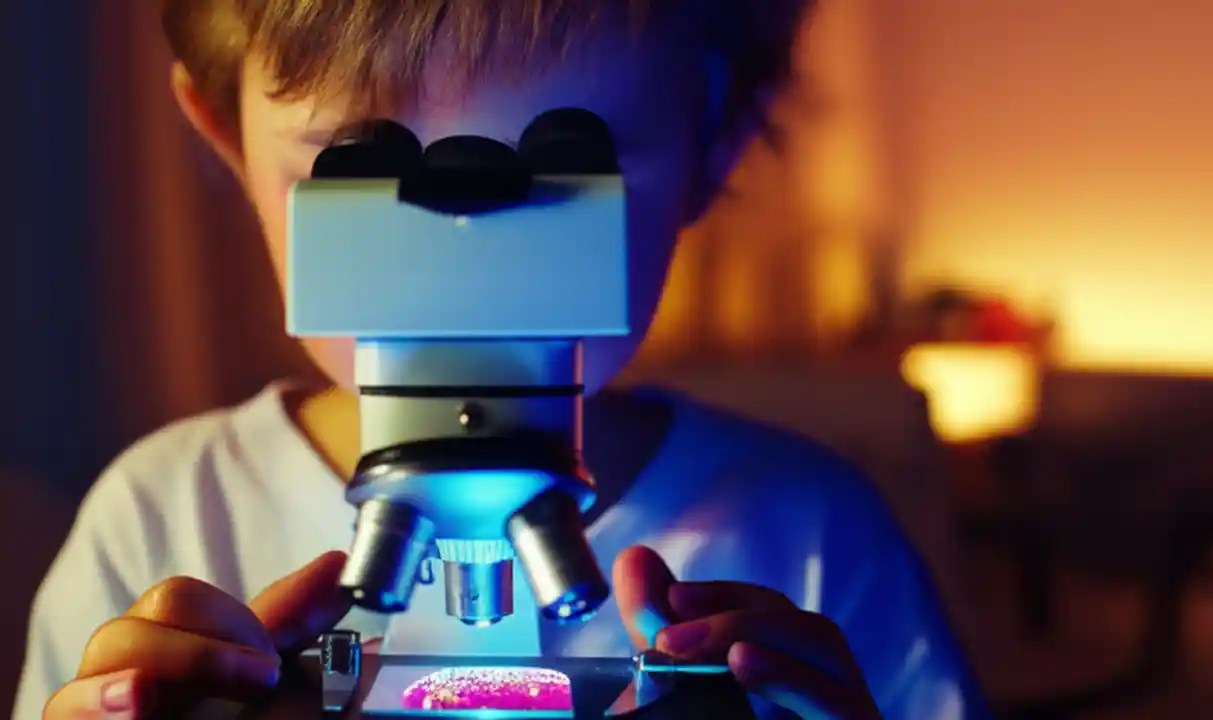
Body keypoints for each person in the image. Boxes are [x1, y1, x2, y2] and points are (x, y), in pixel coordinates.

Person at [17, 1, 986, 718]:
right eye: (360, 162)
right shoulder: (158, 520)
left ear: (711, 147)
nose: (467, 252)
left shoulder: (816, 535)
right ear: (228, 140)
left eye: (566, 163)